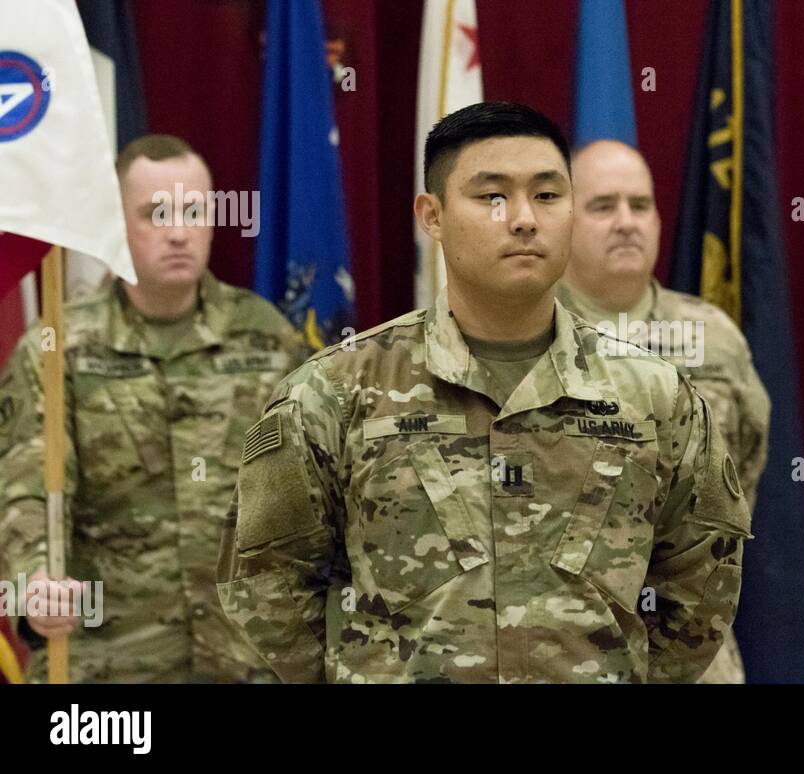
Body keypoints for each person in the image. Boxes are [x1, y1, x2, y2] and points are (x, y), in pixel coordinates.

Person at [216, 102, 751, 684]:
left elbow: (701, 588)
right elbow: (264, 579)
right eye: (492, 196)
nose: (523, 218)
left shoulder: (654, 396)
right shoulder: (336, 391)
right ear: (433, 214)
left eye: (547, 196)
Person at [0, 134, 310, 682]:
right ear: (117, 225)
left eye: (194, 211)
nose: (178, 232)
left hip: (245, 656)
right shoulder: (60, 348)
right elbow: (28, 483)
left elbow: (314, 487)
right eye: (156, 213)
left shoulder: (266, 339)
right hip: (111, 657)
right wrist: (35, 580)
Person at [557, 139, 769, 683]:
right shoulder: (524, 335)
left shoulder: (713, 338)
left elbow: (741, 473)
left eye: (641, 205)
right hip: (552, 643)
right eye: (603, 206)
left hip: (691, 643)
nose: (626, 222)